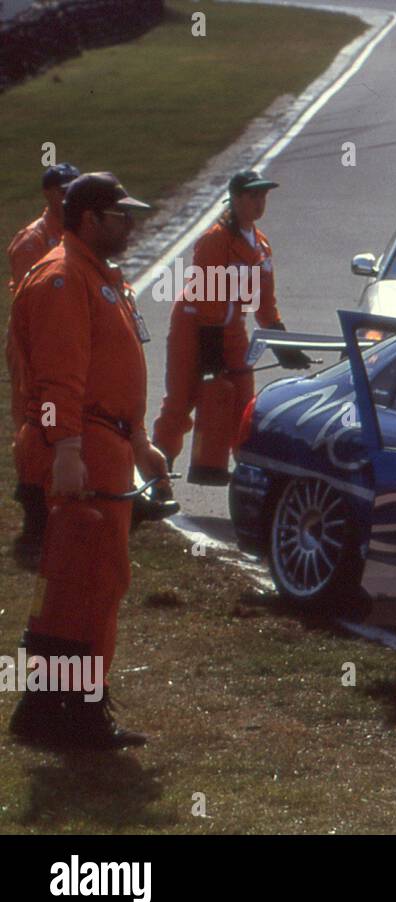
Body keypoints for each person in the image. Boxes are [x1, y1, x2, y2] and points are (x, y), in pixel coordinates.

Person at [7, 172, 169, 749]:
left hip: (107, 442)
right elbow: (56, 382)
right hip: (84, 447)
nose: (130, 224)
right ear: (89, 219)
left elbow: (112, 374)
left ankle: (72, 709)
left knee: (97, 583)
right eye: (119, 215)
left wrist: (142, 444)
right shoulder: (62, 279)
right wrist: (68, 450)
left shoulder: (97, 276)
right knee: (82, 583)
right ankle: (63, 714)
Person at [152, 170, 309, 485]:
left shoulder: (262, 246)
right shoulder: (215, 240)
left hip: (232, 330)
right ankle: (156, 477)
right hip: (194, 327)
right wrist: (211, 359)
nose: (259, 202)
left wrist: (284, 344)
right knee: (180, 404)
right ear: (235, 198)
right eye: (252, 196)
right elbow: (207, 299)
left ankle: (249, 481)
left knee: (243, 406)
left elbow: (264, 305)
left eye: (263, 196)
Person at [6, 164, 81, 563]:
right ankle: (33, 510)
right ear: (49, 193)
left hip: (60, 344)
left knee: (58, 422)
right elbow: (30, 305)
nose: (69, 195)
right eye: (63, 189)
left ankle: (54, 505)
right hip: (33, 348)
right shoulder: (32, 241)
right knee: (36, 422)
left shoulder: (72, 231)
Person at [6, 163, 79, 295]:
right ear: (47, 194)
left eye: (76, 192)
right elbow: (28, 295)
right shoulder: (32, 240)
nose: (72, 199)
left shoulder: (82, 231)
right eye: (64, 192)